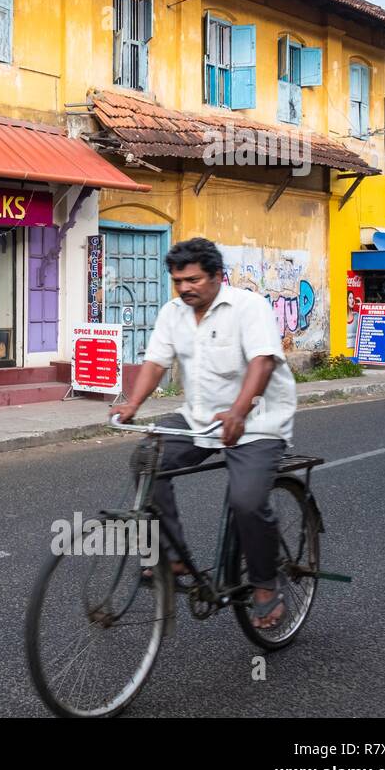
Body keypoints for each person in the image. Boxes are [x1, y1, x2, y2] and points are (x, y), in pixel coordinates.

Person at [110, 238, 297, 629]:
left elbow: (262, 362)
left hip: (257, 422)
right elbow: (156, 361)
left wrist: (239, 412)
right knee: (147, 459)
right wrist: (133, 403)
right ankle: (172, 554)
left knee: (246, 501)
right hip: (198, 419)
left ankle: (265, 586)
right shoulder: (173, 313)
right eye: (178, 281)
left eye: (193, 279)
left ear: (216, 276)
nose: (184, 288)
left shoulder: (249, 308)